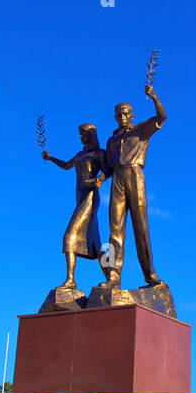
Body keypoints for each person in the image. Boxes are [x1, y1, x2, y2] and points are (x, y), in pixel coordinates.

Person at [99, 84, 166, 288]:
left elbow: (161, 118)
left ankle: (150, 274)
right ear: (115, 117)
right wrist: (102, 178)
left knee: (141, 228)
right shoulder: (112, 140)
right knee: (115, 231)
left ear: (132, 114)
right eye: (119, 114)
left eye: (126, 113)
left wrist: (154, 97)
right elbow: (109, 167)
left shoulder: (140, 130)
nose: (122, 117)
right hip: (117, 178)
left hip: (135, 175)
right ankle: (113, 276)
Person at [41, 124, 108, 289]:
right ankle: (111, 278)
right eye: (79, 134)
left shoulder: (99, 153)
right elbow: (66, 166)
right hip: (79, 197)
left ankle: (70, 280)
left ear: (91, 134)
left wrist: (98, 179)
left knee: (69, 235)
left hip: (90, 198)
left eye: (82, 134)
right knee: (97, 244)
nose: (80, 137)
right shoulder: (80, 154)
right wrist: (50, 158)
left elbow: (108, 170)